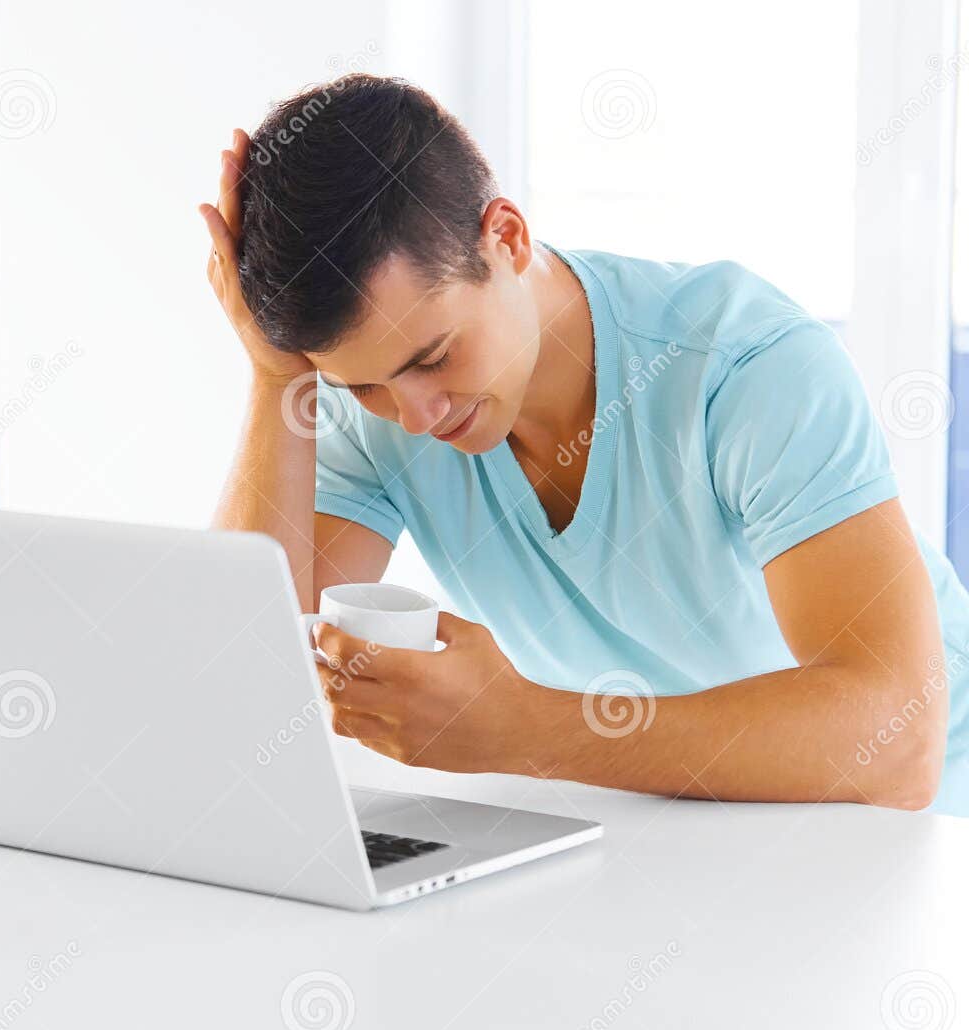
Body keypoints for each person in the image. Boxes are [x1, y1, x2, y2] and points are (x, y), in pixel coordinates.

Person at [201, 74, 969, 813]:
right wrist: (276, 378)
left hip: (920, 831)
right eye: (364, 386)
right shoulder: (375, 402)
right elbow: (253, 684)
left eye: (434, 358)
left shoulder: (745, 366)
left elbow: (901, 748)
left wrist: (525, 729)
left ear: (506, 238)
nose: (415, 416)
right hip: (687, 820)